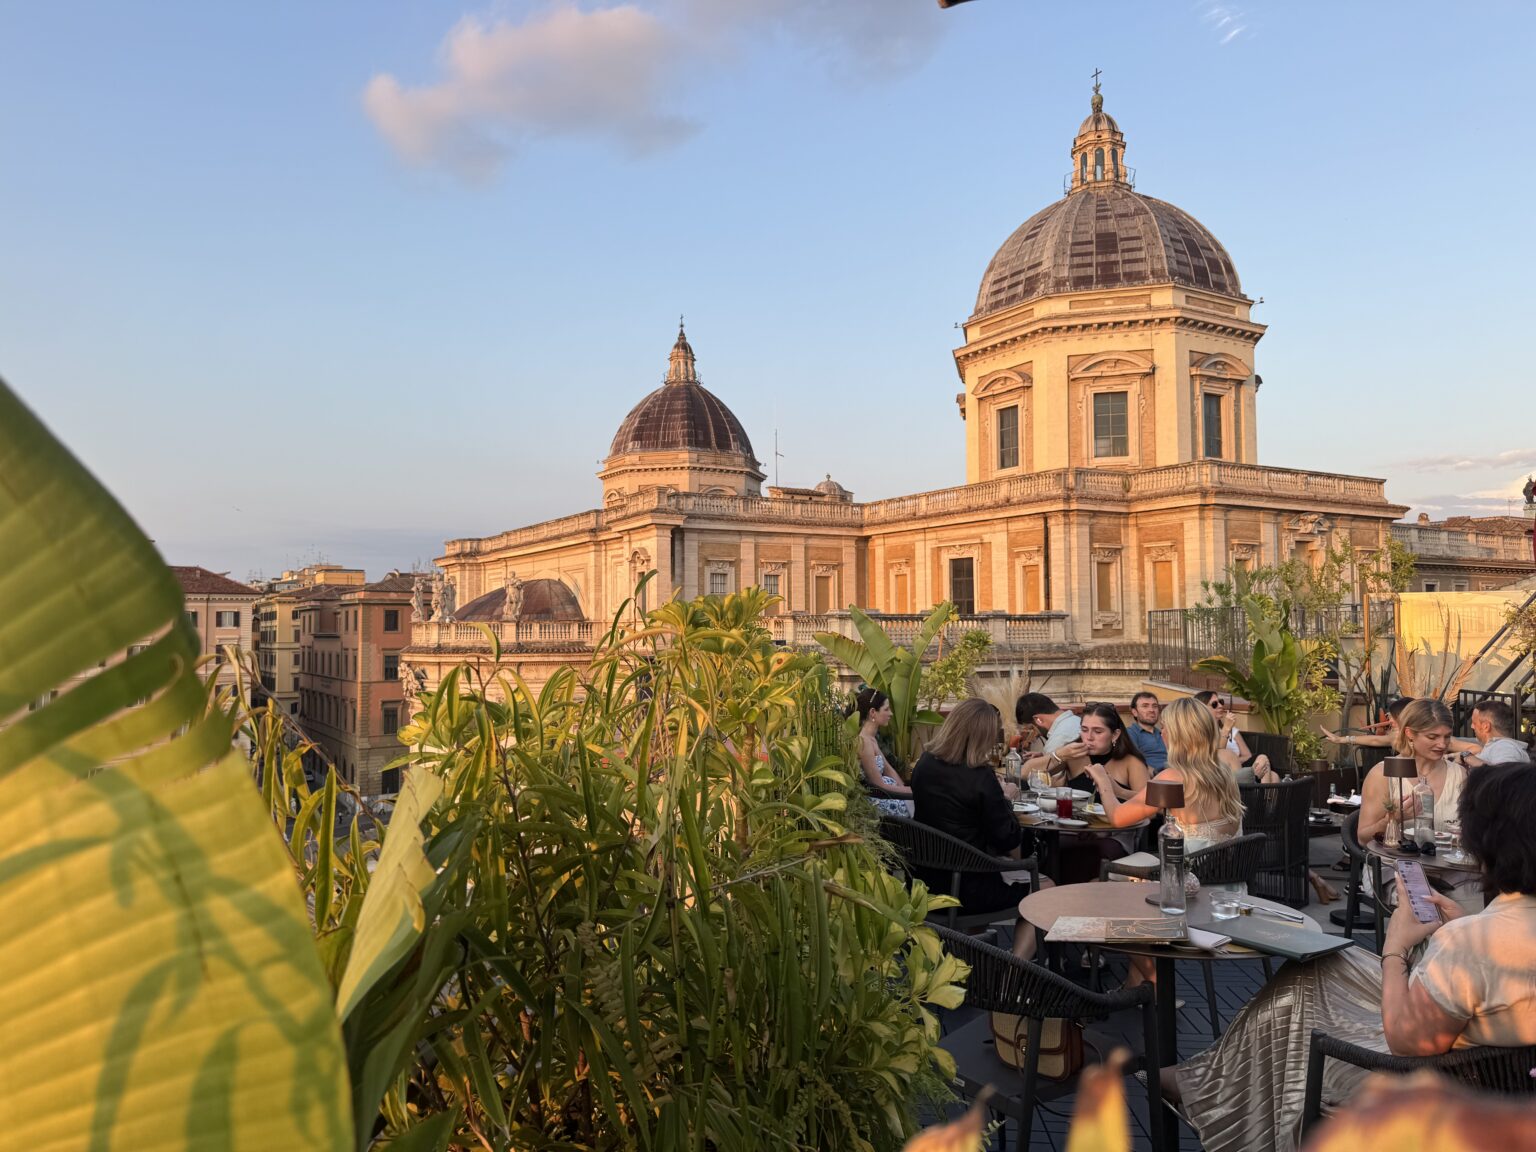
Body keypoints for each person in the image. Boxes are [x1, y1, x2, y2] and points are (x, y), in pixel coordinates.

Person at [1166, 762, 1536, 1152]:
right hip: (1498, 1075)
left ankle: (1208, 1092)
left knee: (1293, 1008)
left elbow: (1407, 1044)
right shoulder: (1480, 933)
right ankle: (1203, 1082)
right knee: (1318, 967)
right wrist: (1457, 926)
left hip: (1436, 1089)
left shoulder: (1474, 942)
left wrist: (1396, 947)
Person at [912, 698, 1043, 958]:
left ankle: (971, 960)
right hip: (967, 889)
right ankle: (1011, 975)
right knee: (1046, 891)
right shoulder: (980, 777)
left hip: (926, 880)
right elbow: (1007, 838)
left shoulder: (925, 764)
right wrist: (1006, 797)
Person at [1358, 698, 1481, 912]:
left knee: (1476, 915)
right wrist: (1392, 819)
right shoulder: (1383, 774)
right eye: (1432, 737)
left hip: (1450, 870)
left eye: (1446, 737)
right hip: (1394, 869)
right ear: (1409, 734)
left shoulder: (1459, 775)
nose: (1442, 744)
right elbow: (1362, 838)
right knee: (1427, 909)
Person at [1089, 698, 1244, 850]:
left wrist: (1102, 779)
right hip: (1227, 871)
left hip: (1184, 872)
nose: (1162, 733)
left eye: (1164, 727)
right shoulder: (1223, 771)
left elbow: (1117, 818)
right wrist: (1119, 791)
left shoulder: (1173, 777)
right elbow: (1155, 802)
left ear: (1178, 735)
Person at [1050, 702, 1150, 883]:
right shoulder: (1074, 757)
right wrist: (1059, 755)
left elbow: (1151, 805)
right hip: (1073, 831)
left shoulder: (1131, 762)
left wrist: (1118, 791)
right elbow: (1027, 773)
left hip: (1115, 835)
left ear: (1115, 734)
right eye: (1084, 730)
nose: (1088, 738)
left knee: (1094, 852)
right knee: (1050, 847)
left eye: (1097, 731)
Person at [1323, 696, 1478, 755]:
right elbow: (1375, 740)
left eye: (1392, 717)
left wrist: (1450, 759)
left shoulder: (1438, 740)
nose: (1389, 721)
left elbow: (1476, 749)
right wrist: (1341, 740)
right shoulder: (1398, 737)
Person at [850, 687, 913, 816]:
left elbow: (888, 770)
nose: (891, 714)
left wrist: (905, 788)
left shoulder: (871, 739)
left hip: (890, 794)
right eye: (886, 709)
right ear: (873, 712)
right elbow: (878, 785)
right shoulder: (864, 742)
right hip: (880, 800)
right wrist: (912, 792)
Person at [1194, 690, 1277, 783]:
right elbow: (1218, 754)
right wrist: (1226, 728)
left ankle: (1261, 796)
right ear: (1202, 708)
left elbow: (1247, 755)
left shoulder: (1232, 731)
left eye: (1221, 702)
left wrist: (1236, 761)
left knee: (1274, 776)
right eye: (1214, 704)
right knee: (1264, 762)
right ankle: (1260, 795)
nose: (1220, 706)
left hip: (1240, 767)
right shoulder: (1201, 732)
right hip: (1224, 773)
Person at [1016, 692, 1082, 784]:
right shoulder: (1075, 720)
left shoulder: (1059, 736)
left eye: (1032, 728)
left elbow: (1047, 781)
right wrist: (1043, 757)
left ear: (1038, 720)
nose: (1034, 735)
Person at [1465, 699, 1532, 766]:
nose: (1472, 726)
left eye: (1474, 723)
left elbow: (1505, 773)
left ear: (1486, 727)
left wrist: (1468, 758)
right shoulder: (1498, 746)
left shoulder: (1504, 746)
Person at [1126, 691, 1168, 769]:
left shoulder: (1164, 733)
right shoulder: (1130, 733)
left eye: (1155, 706)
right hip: (1152, 777)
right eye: (1145, 706)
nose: (1151, 710)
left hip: (1175, 774)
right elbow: (1133, 763)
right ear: (1135, 712)